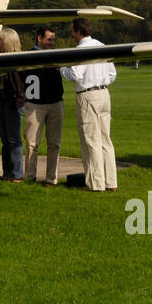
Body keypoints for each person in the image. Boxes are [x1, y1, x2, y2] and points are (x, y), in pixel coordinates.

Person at [61, 17, 117, 192]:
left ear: (78, 31)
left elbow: (75, 74)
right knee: (105, 140)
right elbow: (112, 74)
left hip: (88, 95)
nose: (72, 34)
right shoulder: (101, 46)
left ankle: (95, 184)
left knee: (91, 140)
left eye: (73, 30)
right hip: (104, 93)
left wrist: (61, 68)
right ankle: (111, 182)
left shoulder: (81, 49)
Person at [23, 26, 64, 185]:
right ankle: (30, 176)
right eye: (49, 39)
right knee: (32, 142)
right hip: (35, 105)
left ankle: (51, 178)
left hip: (55, 104)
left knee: (54, 143)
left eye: (53, 40)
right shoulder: (28, 55)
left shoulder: (57, 55)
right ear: (39, 38)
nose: (51, 43)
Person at [0, 28, 26, 182]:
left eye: (0, 39)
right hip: (1, 102)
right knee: (4, 138)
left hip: (13, 103)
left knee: (13, 138)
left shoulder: (17, 59)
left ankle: (17, 173)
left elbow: (18, 85)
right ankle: (7, 172)